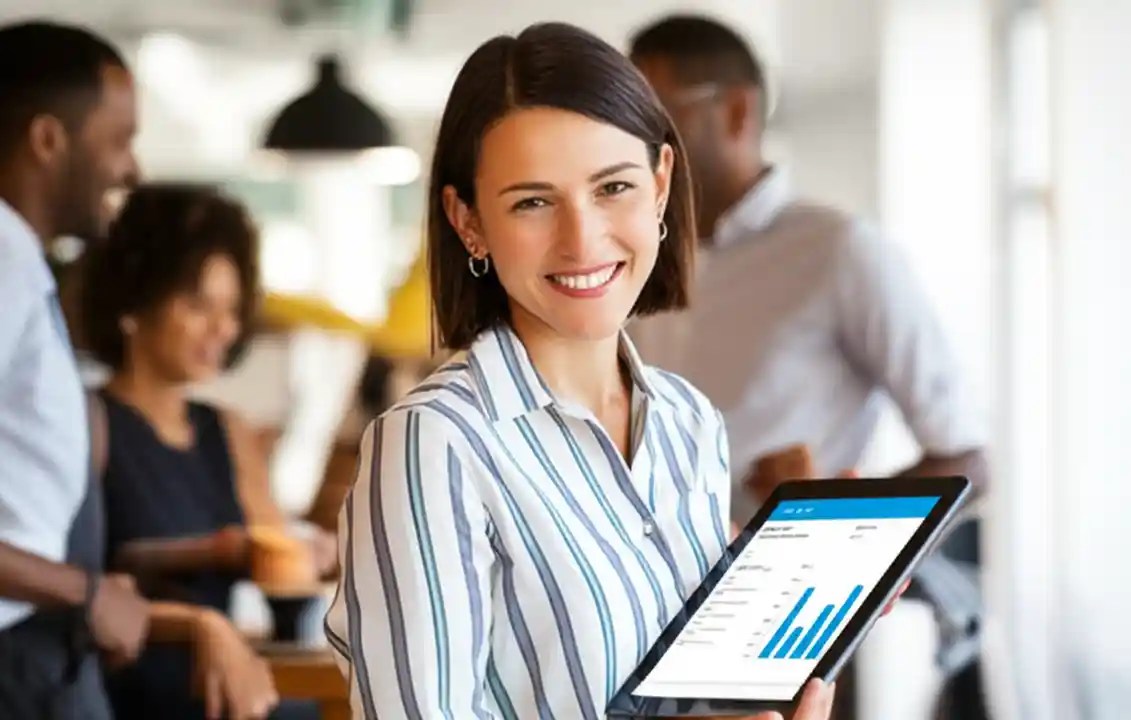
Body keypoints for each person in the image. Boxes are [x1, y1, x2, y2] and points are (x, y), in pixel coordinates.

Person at [326, 22, 834, 720]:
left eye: (613, 187)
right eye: (533, 202)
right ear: (467, 219)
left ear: (659, 185)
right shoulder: (431, 443)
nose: (582, 238)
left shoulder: (689, 424)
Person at [627, 15, 992, 720]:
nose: (635, 143)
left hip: (783, 637)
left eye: (653, 115)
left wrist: (822, 534)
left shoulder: (840, 252)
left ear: (736, 111)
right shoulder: (643, 256)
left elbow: (969, 458)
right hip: (648, 612)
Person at [79, 183, 338, 719]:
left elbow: (279, 561)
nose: (224, 328)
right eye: (199, 305)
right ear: (133, 303)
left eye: (232, 308)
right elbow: (88, 580)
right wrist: (217, 570)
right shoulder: (89, 421)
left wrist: (318, 552)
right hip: (127, 692)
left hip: (224, 687)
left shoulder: (227, 431)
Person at [0, 21, 149, 718]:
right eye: (118, 141)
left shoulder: (23, 266)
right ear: (48, 140)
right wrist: (84, 592)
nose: (130, 170)